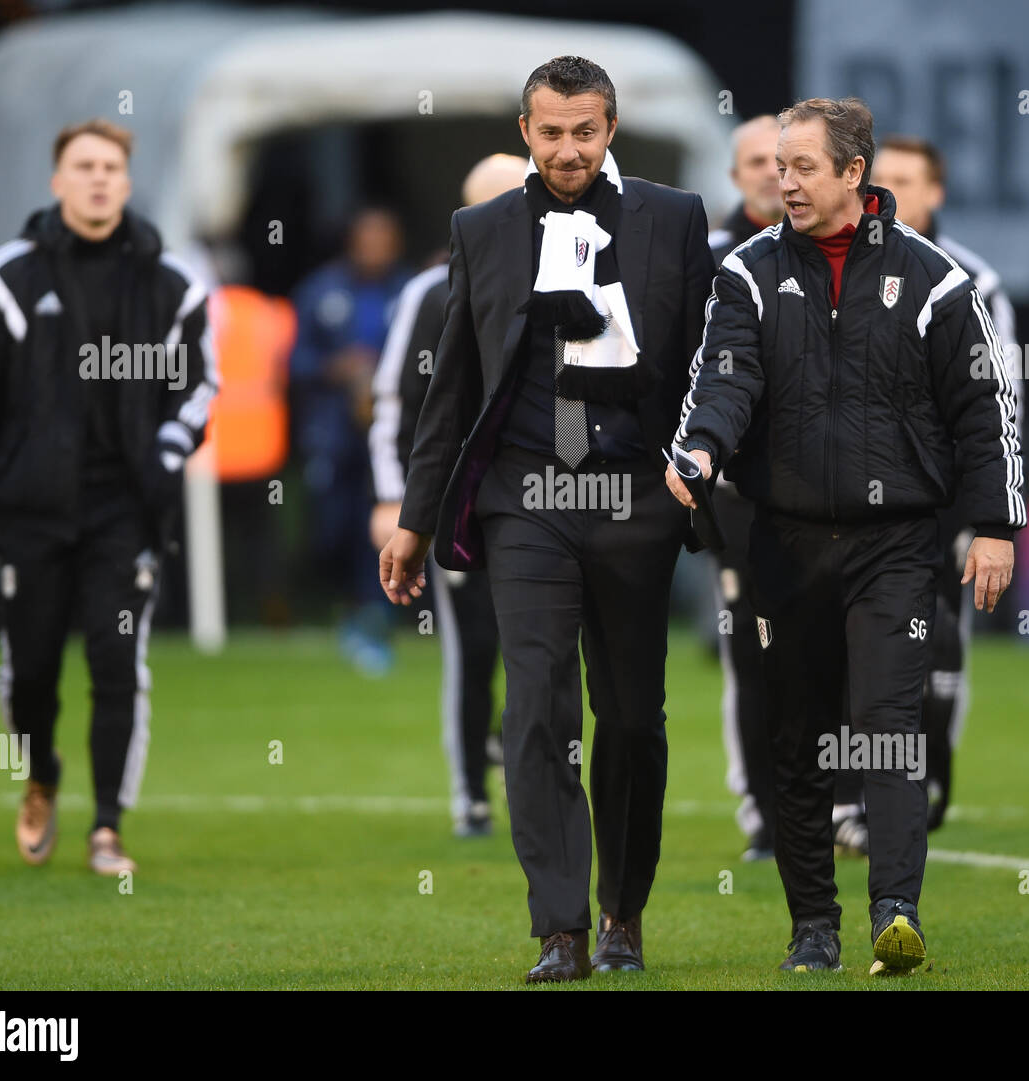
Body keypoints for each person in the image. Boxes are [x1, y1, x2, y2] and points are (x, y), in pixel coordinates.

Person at [669, 97, 1024, 975]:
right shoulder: (746, 273)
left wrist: (993, 524)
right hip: (784, 542)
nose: (780, 181)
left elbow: (986, 413)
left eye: (799, 167)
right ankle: (812, 928)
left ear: (852, 174)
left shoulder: (939, 281)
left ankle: (894, 913)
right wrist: (703, 447)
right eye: (775, 166)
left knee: (887, 724)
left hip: (896, 542)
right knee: (796, 735)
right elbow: (724, 376)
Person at [380, 56, 713, 982]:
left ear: (612, 128)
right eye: (551, 131)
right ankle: (560, 927)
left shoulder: (675, 220)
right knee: (534, 709)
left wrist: (706, 479)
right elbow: (452, 385)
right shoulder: (480, 230)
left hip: (634, 500)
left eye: (585, 131)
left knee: (634, 720)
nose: (568, 149)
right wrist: (413, 516)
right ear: (524, 131)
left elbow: (706, 365)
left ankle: (622, 915)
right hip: (523, 501)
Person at [0, 118, 218, 874]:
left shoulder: (172, 283)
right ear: (57, 180)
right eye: (83, 166)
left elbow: (197, 386)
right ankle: (41, 777)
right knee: (29, 671)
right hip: (28, 511)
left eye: (110, 167)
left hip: (123, 511)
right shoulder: (4, 282)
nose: (98, 178)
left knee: (116, 660)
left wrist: (164, 451)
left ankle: (105, 826)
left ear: (127, 183)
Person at [826, 135, 1021, 847]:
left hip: (941, 503)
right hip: (860, 500)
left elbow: (1001, 404)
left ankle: (929, 776)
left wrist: (990, 512)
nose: (896, 190)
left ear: (936, 191)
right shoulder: (841, 265)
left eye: (910, 178)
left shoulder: (972, 281)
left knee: (939, 648)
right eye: (888, 177)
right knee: (852, 646)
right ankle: (852, 798)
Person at [369, 153, 528, 838]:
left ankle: (527, 767)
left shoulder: (571, 278)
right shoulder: (431, 294)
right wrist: (394, 498)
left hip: (546, 499)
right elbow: (399, 403)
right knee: (472, 649)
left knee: (543, 646)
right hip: (465, 504)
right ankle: (471, 792)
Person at [707, 115, 784, 863]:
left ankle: (845, 799)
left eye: (782, 158)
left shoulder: (840, 254)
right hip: (735, 494)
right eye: (756, 160)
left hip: (829, 491)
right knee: (749, 650)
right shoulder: (705, 260)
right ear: (734, 176)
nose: (770, 171)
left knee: (844, 652)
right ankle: (762, 806)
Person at [289, 207, 410, 674]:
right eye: (368, 237)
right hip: (334, 434)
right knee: (332, 528)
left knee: (381, 527)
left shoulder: (410, 291)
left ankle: (373, 617)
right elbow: (294, 364)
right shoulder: (319, 291)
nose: (376, 247)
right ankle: (344, 605)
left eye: (385, 238)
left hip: (394, 437)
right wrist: (337, 370)